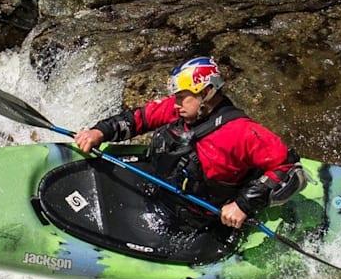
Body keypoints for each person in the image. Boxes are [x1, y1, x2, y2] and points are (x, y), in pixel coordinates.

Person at [73, 56, 306, 230]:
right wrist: (99, 131)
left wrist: (242, 205)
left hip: (201, 219)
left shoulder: (242, 133)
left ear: (206, 93)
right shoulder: (180, 111)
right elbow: (139, 119)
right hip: (161, 192)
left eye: (182, 97)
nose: (175, 104)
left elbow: (287, 167)